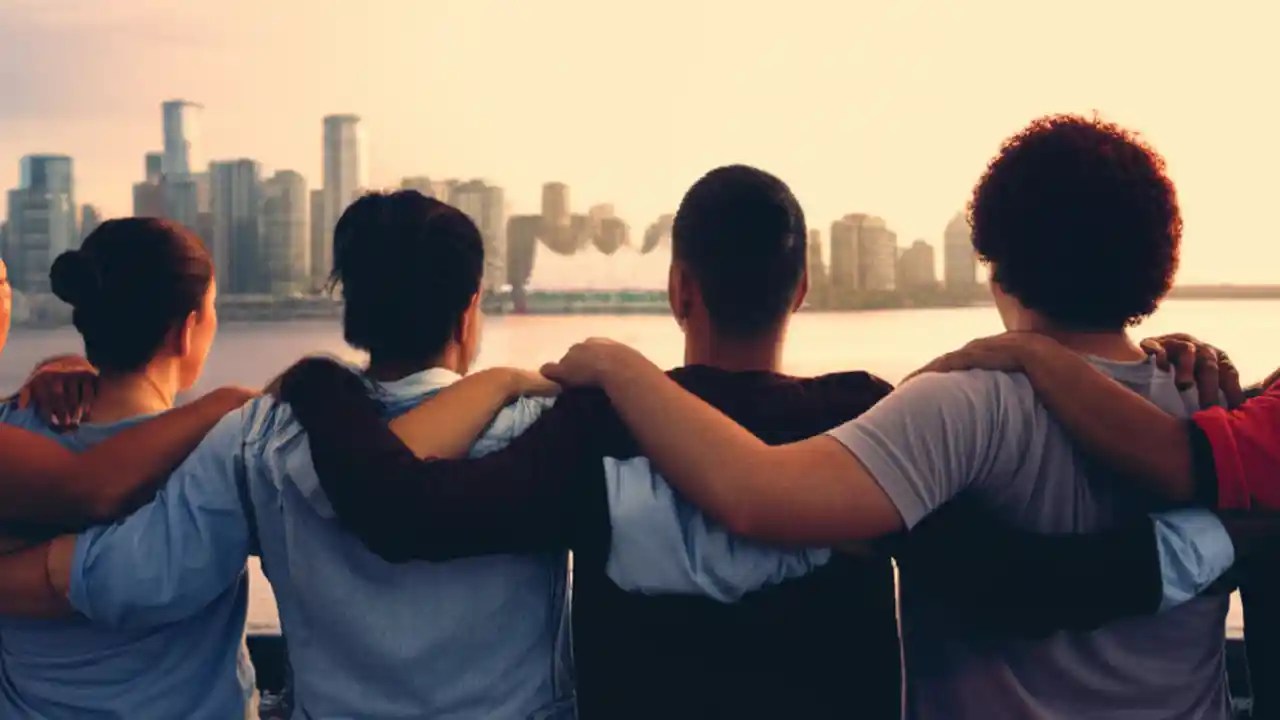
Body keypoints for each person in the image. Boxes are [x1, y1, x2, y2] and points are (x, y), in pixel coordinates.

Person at [277, 163, 1228, 717]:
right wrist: (1224, 519)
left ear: (678, 289)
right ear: (802, 289)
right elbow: (1018, 581)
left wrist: (320, 382)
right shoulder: (865, 415)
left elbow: (407, 512)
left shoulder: (595, 426)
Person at [529, 116, 1233, 718]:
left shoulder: (963, 406)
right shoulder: (1215, 409)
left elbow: (754, 495)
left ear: (998, 262)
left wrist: (619, 370)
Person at [0, 192, 572, 719]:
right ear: (469, 311)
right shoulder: (548, 432)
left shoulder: (255, 438)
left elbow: (135, 575)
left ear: (353, 310)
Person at [0, 218, 258, 718]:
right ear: (187, 331)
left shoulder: (14, 424)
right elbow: (91, 487)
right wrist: (234, 404)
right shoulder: (221, 453)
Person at [0, 253, 255, 536]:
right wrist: (225, 404)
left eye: (2, 280)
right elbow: (87, 489)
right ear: (186, 329)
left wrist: (59, 366)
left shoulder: (23, 415)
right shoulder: (214, 462)